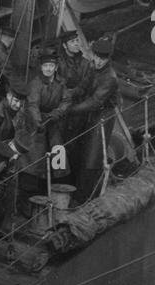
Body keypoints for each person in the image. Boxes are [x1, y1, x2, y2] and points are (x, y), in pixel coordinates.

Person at [64, 40, 122, 199]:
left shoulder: (110, 78)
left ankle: (84, 197)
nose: (98, 62)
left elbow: (95, 101)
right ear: (93, 55)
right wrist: (66, 94)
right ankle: (72, 188)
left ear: (107, 59)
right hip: (89, 110)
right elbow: (83, 87)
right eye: (97, 57)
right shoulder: (92, 66)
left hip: (104, 113)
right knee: (77, 146)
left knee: (92, 155)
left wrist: (70, 110)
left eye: (102, 59)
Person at [25, 49, 71, 189]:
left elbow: (67, 100)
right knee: (37, 153)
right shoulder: (35, 83)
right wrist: (39, 122)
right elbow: (32, 105)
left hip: (54, 120)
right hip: (37, 121)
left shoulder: (61, 83)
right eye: (45, 66)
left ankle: (58, 185)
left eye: (51, 66)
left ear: (56, 67)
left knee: (57, 150)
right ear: (41, 67)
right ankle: (34, 187)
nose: (48, 69)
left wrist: (58, 112)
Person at [0, 79, 30, 146]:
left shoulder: (20, 113)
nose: (18, 105)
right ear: (8, 96)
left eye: (21, 102)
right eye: (16, 101)